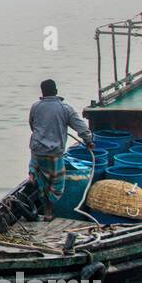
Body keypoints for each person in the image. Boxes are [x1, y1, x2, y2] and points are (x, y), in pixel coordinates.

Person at [29, 80, 94, 221]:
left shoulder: (35, 107)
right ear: (56, 91)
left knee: (42, 180)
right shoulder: (65, 108)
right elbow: (81, 127)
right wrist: (88, 141)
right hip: (53, 153)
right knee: (56, 184)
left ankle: (33, 177)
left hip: (37, 151)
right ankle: (49, 210)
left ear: (42, 92)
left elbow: (32, 126)